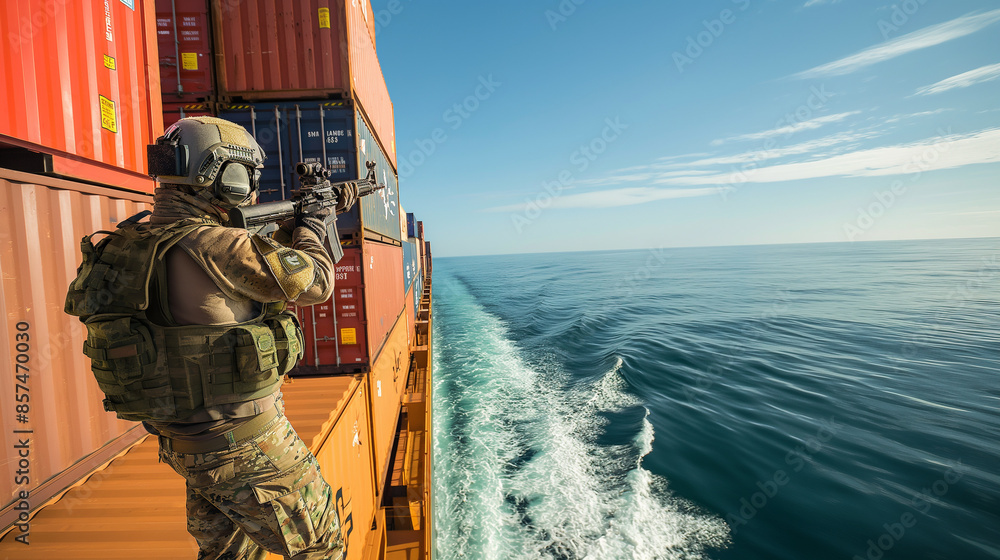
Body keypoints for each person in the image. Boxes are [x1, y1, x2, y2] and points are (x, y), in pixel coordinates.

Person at [65, 116, 356, 559]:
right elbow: (316, 281)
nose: (254, 191)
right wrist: (315, 223)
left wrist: (295, 221)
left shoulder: (126, 244)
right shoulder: (217, 245)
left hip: (187, 444)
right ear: (225, 176)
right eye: (249, 178)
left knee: (231, 556)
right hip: (247, 442)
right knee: (321, 546)